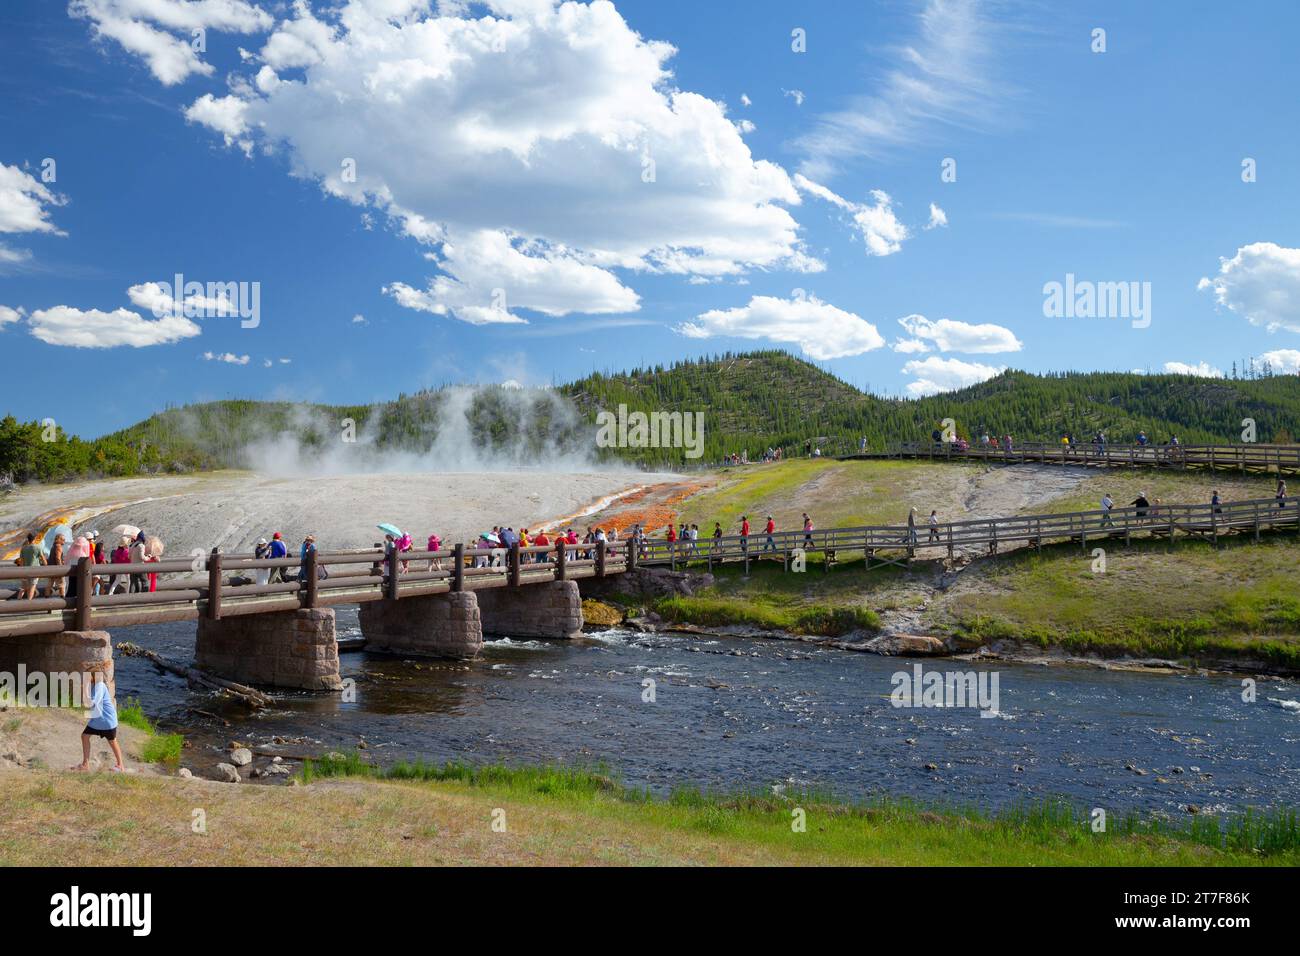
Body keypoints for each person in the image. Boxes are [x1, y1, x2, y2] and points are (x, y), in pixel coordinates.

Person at [72, 671, 124, 773]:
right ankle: (85, 764)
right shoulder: (94, 685)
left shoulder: (99, 686)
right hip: (99, 719)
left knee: (112, 741)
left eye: (88, 675)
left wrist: (85, 689)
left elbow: (92, 703)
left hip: (106, 719)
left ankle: (120, 766)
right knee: (85, 736)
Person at [16, 532, 45, 600]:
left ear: (28, 539)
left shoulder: (23, 548)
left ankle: (18, 601)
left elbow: (22, 561)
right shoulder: (38, 547)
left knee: (23, 587)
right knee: (32, 587)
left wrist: (22, 570)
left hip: (25, 570)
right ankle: (29, 602)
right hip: (35, 570)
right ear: (34, 539)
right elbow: (43, 559)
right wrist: (46, 566)